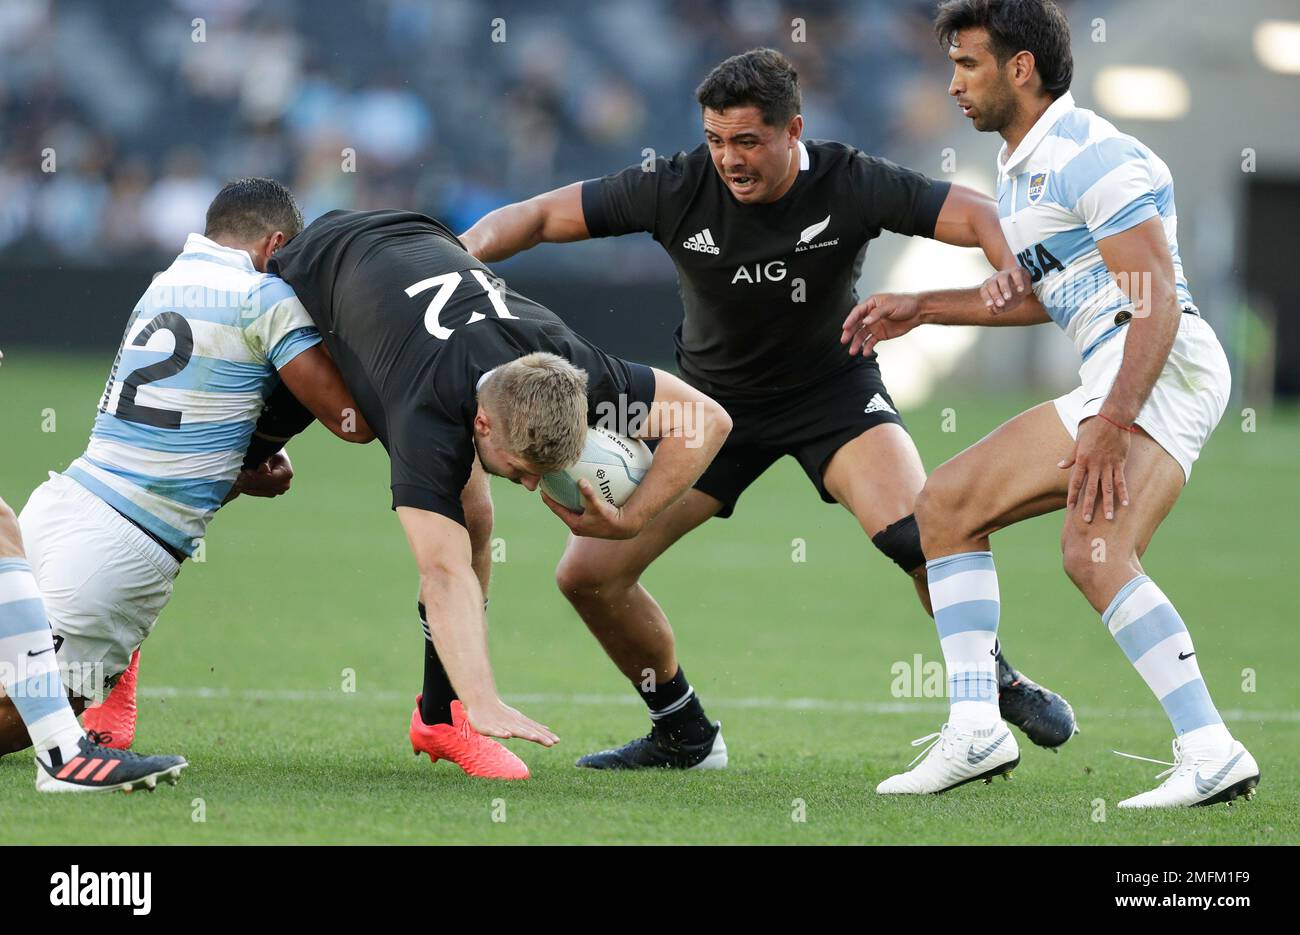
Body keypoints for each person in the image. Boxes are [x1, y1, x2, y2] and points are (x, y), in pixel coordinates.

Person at [458, 47, 1077, 770]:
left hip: (834, 394)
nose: (729, 158)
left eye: (748, 140)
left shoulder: (850, 179)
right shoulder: (674, 185)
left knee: (921, 535)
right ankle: (683, 732)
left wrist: (1012, 265)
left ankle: (992, 680)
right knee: (587, 575)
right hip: (708, 410)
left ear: (794, 131)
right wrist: (459, 257)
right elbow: (534, 218)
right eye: (717, 139)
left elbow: (974, 213)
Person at [853, 0, 1259, 807]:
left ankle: (1196, 747)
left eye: (968, 64)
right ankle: (998, 728)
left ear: (1021, 68)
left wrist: (1109, 421)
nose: (954, 83)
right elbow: (1051, 294)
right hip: (1139, 356)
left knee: (985, 512)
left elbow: (1157, 299)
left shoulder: (1090, 154)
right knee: (992, 520)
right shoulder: (1024, 166)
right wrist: (925, 306)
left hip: (1153, 357)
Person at [266, 207, 733, 780]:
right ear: (481, 424)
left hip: (419, 236)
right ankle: (119, 675)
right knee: (252, 465)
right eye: (523, 469)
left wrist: (632, 519)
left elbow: (706, 421)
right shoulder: (427, 412)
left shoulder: (569, 363)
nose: (533, 485)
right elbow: (443, 571)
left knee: (476, 518)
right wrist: (484, 695)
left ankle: (441, 718)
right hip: (303, 275)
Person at [0, 178, 373, 765]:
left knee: (18, 685)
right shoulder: (262, 297)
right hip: (121, 545)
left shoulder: (163, 282)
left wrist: (238, 472)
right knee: (29, 716)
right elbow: (351, 421)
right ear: (275, 245)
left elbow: (172, 422)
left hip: (64, 499)